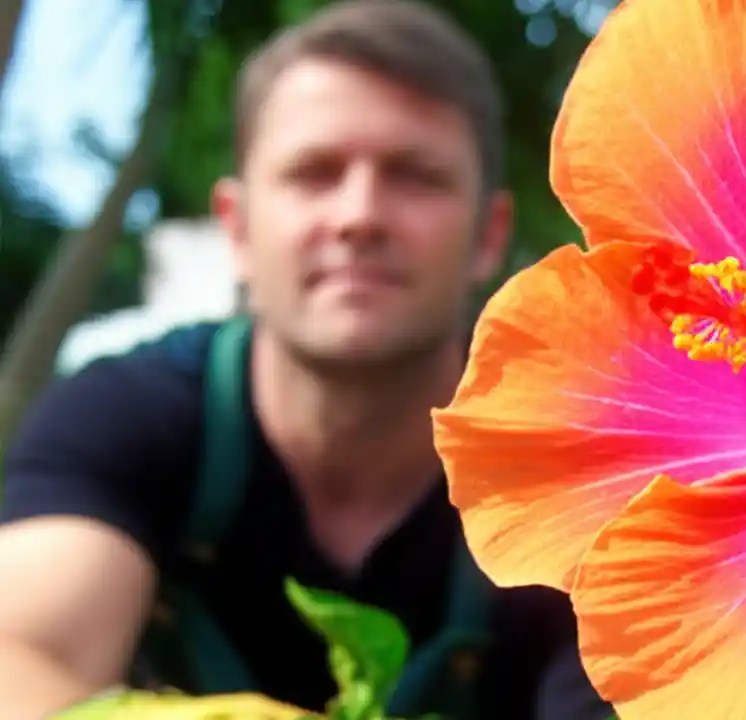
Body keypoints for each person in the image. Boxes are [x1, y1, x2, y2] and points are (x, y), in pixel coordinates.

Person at [0, 2, 613, 718]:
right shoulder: (121, 412)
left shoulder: (594, 462)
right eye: (313, 172)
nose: (359, 215)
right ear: (237, 227)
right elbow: (22, 659)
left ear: (489, 234)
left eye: (415, 175)